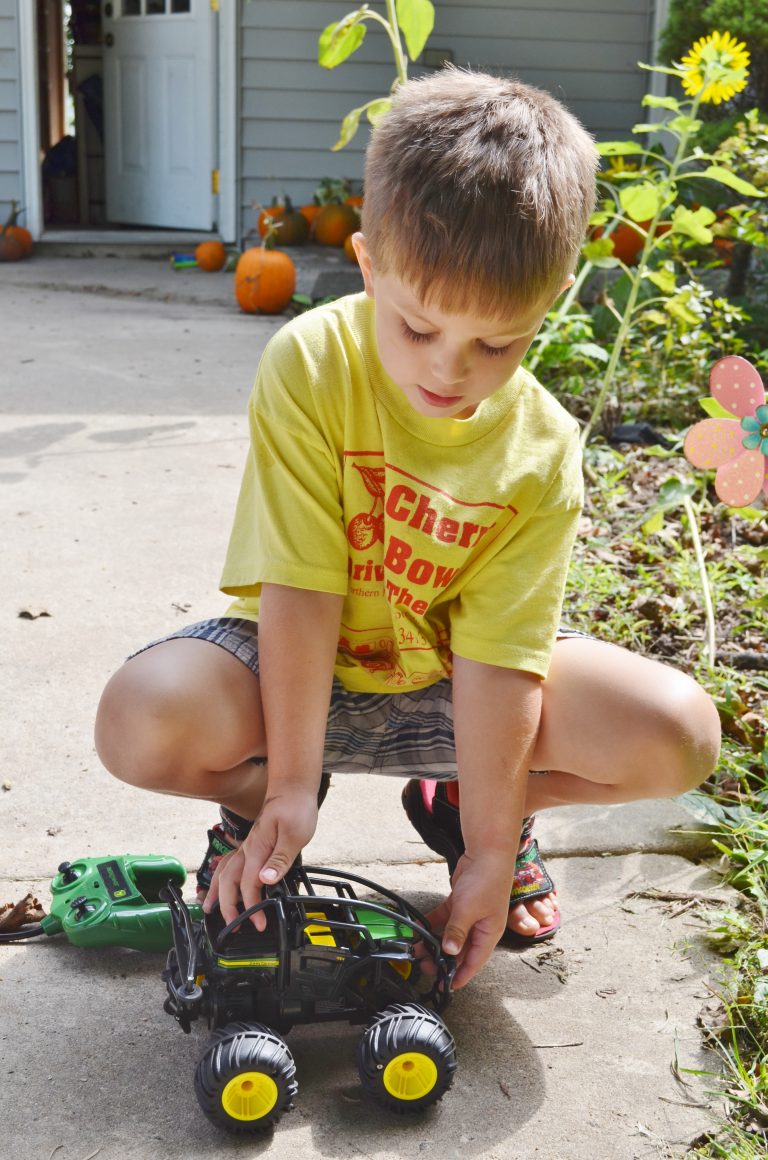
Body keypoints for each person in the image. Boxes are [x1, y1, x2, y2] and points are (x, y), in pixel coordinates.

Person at [94, 68, 721, 990]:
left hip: (455, 685)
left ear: (550, 303)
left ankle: (465, 797)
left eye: (498, 343)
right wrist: (289, 788)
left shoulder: (542, 449)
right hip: (294, 676)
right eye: (419, 325)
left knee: (679, 733)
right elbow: (302, 589)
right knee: (138, 719)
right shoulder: (311, 362)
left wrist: (489, 848)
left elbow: (503, 655)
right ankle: (259, 809)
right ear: (367, 265)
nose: (451, 368)